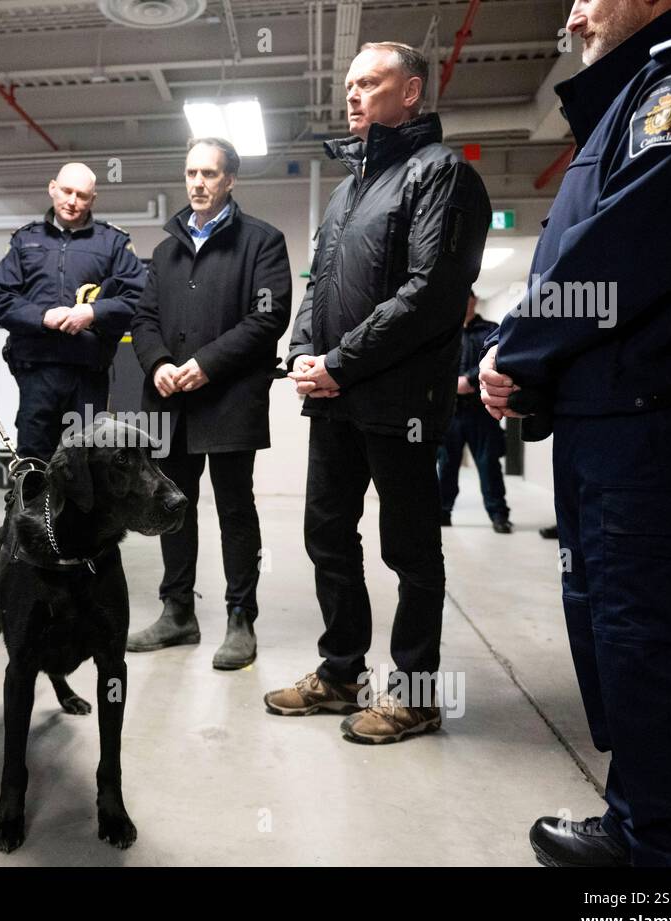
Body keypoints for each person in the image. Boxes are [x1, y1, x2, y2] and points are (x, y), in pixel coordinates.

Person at [481, 0, 671, 867]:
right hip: (611, 423)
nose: (571, 12)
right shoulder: (632, 98)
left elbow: (625, 248)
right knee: (618, 644)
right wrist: (538, 376)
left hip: (661, 428)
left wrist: (517, 350)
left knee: (659, 652)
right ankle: (643, 820)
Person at [265, 43, 490, 742]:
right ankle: (340, 673)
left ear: (411, 92)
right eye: (351, 83)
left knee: (409, 549)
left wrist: (341, 360)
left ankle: (417, 691)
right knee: (327, 535)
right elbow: (317, 286)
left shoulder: (442, 175)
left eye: (372, 82)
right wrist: (305, 355)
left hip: (401, 404)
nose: (354, 95)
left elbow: (431, 294)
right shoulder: (347, 187)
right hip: (334, 397)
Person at [128, 137, 292, 670]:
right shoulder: (165, 248)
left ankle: (241, 618)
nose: (198, 183)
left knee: (234, 510)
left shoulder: (262, 242)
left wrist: (205, 364)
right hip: (171, 401)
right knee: (172, 508)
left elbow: (268, 318)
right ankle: (178, 613)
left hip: (229, 400)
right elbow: (143, 319)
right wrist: (158, 364)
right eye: (191, 172)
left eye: (210, 174)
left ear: (230, 180)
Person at [0, 163, 146, 461]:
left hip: (88, 373)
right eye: (67, 191)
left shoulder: (113, 242)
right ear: (52, 189)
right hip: (37, 372)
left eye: (82, 195)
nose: (72, 201)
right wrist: (41, 317)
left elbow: (139, 297)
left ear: (93, 199)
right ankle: (35, 510)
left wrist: (92, 312)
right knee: (33, 462)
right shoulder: (25, 240)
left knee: (87, 462)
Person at [436, 291, 511, 533]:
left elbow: (499, 358)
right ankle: (442, 513)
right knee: (446, 465)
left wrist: (469, 380)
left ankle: (499, 515)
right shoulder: (445, 331)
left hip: (482, 411)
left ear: (474, 301)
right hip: (450, 412)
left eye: (467, 299)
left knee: (488, 464)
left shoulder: (491, 329)